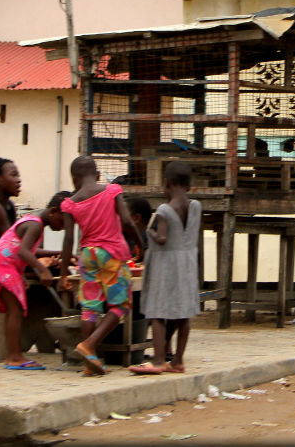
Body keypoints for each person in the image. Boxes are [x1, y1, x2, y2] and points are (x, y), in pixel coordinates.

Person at [58, 156, 143, 375]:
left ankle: (90, 361)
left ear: (74, 178)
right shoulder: (112, 190)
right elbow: (126, 221)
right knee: (121, 305)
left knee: (90, 307)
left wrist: (63, 273)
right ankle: (90, 344)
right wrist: (140, 243)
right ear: (96, 174)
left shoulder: (69, 203)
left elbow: (68, 240)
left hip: (87, 255)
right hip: (112, 253)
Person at [0, 190, 70, 370]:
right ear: (53, 212)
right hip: (3, 267)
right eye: (63, 221)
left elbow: (28, 249)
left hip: (3, 266)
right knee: (15, 311)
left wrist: (60, 254)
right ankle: (14, 357)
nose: (64, 227)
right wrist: (43, 270)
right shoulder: (35, 225)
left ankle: (14, 355)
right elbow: (23, 252)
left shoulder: (34, 222)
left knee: (14, 311)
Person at [130, 161, 202, 375]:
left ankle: (159, 359)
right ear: (189, 186)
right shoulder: (195, 206)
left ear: (167, 184)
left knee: (157, 312)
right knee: (183, 314)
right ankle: (178, 360)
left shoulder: (164, 210)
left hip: (166, 265)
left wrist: (148, 232)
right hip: (188, 264)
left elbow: (162, 238)